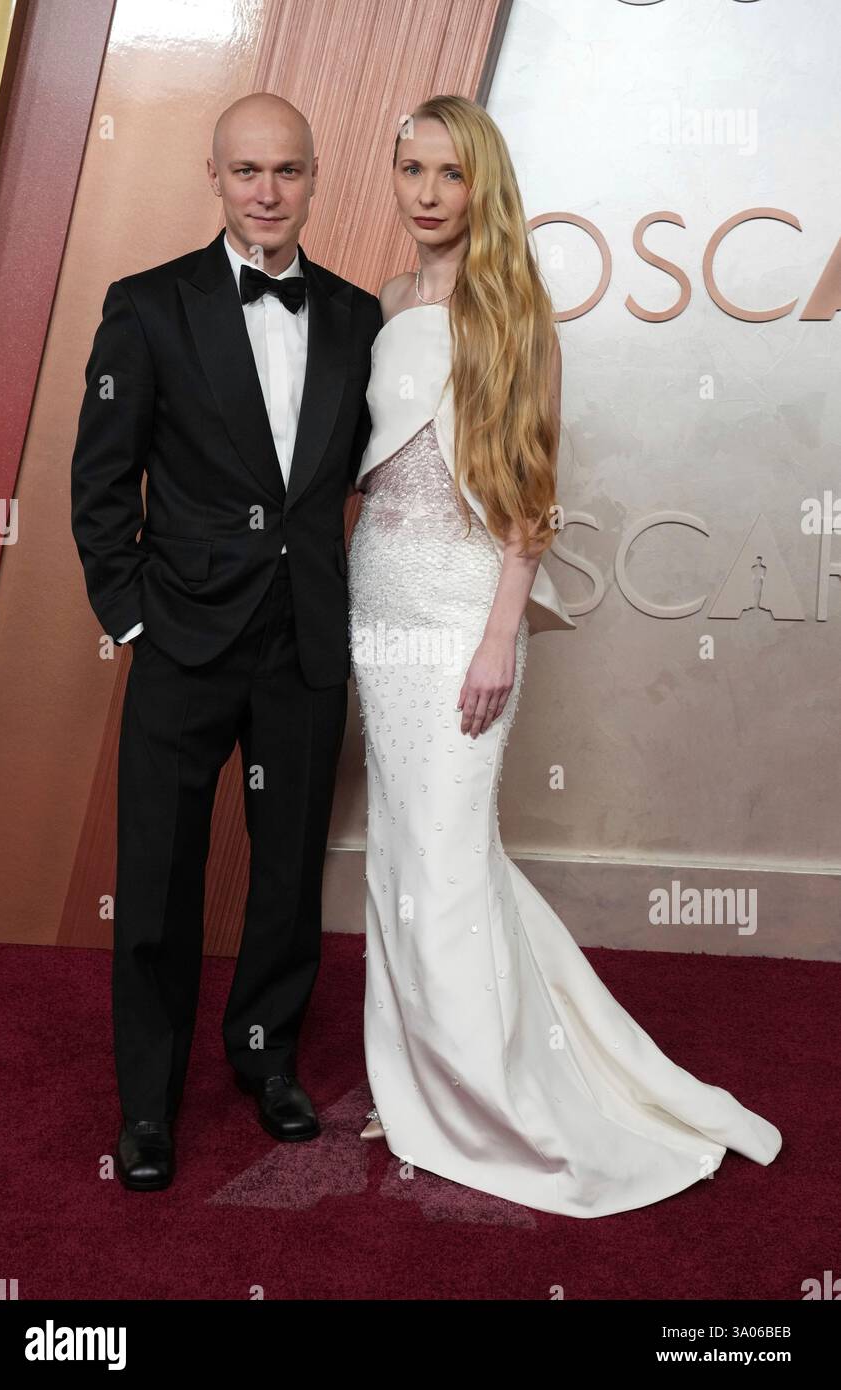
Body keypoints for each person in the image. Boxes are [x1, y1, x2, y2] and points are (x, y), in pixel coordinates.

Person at [346, 96, 782, 1217]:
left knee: (445, 856)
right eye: (410, 170)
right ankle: (423, 1085)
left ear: (480, 184)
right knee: (404, 854)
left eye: (447, 172)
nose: (426, 193)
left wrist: (500, 630)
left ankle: (498, 1102)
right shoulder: (388, 303)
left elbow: (528, 498)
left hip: (461, 610)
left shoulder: (515, 315)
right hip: (376, 601)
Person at [71, 93, 381, 1190]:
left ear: (312, 178)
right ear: (215, 175)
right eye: (246, 170)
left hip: (302, 642)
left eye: (286, 171)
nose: (265, 190)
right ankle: (146, 1108)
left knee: (288, 870)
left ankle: (266, 1057)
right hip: (183, 639)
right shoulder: (149, 306)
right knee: (156, 879)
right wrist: (136, 616)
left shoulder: (355, 316)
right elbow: (101, 482)